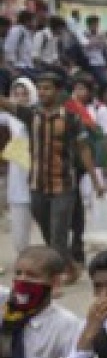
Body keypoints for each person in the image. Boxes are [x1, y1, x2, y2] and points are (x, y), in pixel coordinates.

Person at [0, 73, 106, 283]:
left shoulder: (71, 118)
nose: (42, 92)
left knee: (57, 236)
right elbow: (5, 104)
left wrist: (96, 181)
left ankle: (53, 281)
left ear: (57, 91)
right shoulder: (31, 115)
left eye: (47, 88)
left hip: (63, 186)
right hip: (37, 185)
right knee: (49, 235)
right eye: (40, 88)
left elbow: (84, 150)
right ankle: (72, 267)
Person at [1, 79, 36, 267]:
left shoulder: (39, 114)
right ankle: (24, 260)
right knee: (19, 224)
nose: (21, 98)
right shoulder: (10, 117)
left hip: (39, 172)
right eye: (17, 94)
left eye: (25, 93)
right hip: (18, 172)